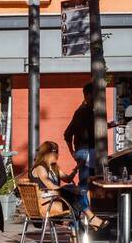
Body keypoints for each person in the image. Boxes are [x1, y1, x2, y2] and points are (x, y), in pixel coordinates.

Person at [31, 141, 101, 230]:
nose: (57, 155)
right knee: (74, 195)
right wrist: (69, 190)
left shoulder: (54, 168)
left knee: (76, 195)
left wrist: (76, 169)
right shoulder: (40, 168)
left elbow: (67, 179)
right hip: (45, 203)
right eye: (55, 152)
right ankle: (88, 220)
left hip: (54, 198)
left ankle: (79, 228)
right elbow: (50, 186)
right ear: (47, 153)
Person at [63, 83, 96, 212]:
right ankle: (79, 217)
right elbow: (67, 134)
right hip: (87, 152)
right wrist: (74, 153)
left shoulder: (83, 111)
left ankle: (79, 218)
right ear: (89, 95)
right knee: (85, 185)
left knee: (87, 184)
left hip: (86, 152)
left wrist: (74, 153)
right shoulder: (84, 111)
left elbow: (67, 134)